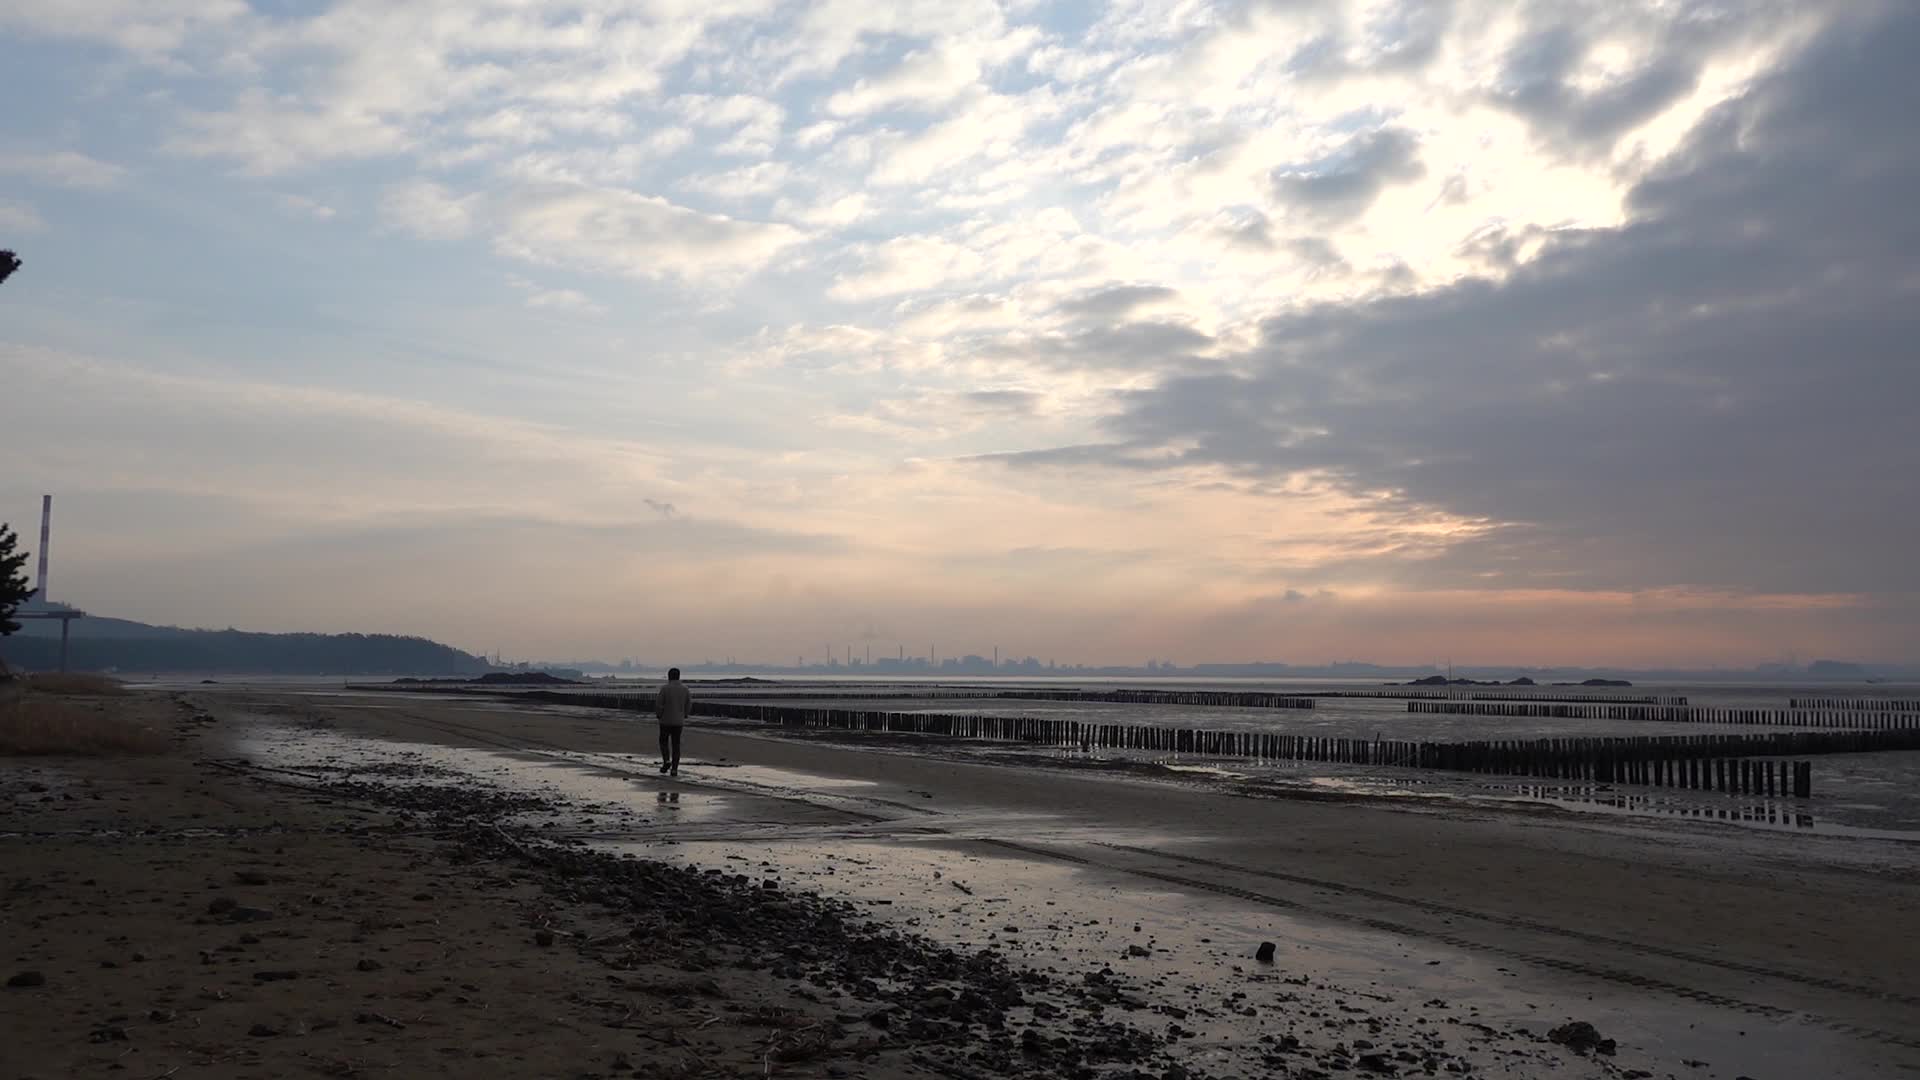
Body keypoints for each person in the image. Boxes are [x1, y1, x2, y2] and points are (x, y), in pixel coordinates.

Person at [655, 667, 691, 776]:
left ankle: (666, 760)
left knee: (663, 742)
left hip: (665, 721)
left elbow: (659, 704)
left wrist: (659, 715)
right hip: (678, 721)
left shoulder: (665, 689)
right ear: (679, 676)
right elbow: (688, 704)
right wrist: (685, 715)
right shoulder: (685, 689)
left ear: (669, 676)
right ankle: (674, 769)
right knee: (676, 745)